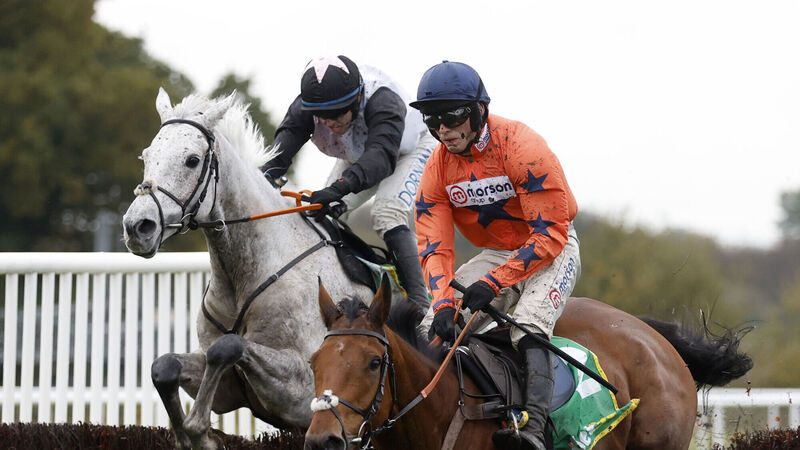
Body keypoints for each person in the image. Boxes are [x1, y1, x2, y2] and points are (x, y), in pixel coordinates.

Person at [409, 61, 581, 450]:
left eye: (451, 117)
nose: (442, 130)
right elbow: (434, 248)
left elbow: (549, 235)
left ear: (478, 110)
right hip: (497, 253)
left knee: (528, 325)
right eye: (431, 119)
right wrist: (440, 305)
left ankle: (533, 430)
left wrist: (493, 282)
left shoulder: (524, 148)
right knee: (427, 330)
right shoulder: (436, 168)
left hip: (551, 249)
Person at [261, 55, 437, 312]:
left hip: (407, 150)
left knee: (386, 213)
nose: (330, 123)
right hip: (358, 155)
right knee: (320, 217)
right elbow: (277, 157)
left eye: (336, 113)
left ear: (357, 98)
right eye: (321, 116)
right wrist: (263, 179)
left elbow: (380, 158)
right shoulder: (306, 108)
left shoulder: (383, 99)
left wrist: (337, 189)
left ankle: (421, 305)